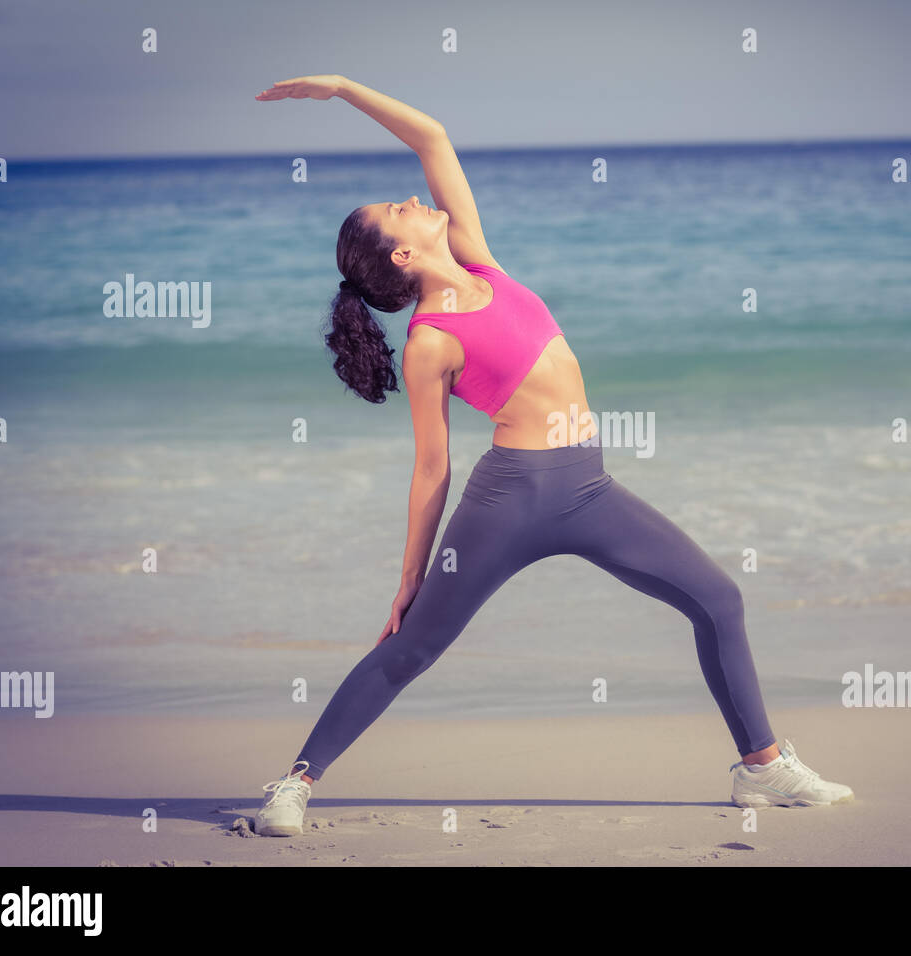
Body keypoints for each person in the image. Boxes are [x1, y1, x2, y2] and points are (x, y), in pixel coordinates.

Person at [251, 75, 853, 837]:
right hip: (510, 499)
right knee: (414, 648)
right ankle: (294, 783)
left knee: (718, 600)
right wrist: (407, 578)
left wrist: (342, 90)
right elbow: (431, 469)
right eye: (398, 210)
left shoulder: (477, 260)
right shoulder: (429, 342)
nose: (411, 198)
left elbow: (431, 135)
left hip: (589, 488)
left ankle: (761, 765)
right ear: (403, 254)